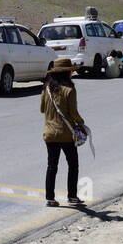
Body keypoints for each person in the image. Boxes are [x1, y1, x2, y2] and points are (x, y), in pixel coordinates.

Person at [41, 58, 85, 207]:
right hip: (65, 134)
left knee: (52, 166)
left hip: (49, 133)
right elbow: (73, 113)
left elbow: (42, 109)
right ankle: (72, 196)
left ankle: (50, 198)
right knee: (73, 164)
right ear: (67, 73)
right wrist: (81, 123)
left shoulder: (47, 89)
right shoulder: (70, 90)